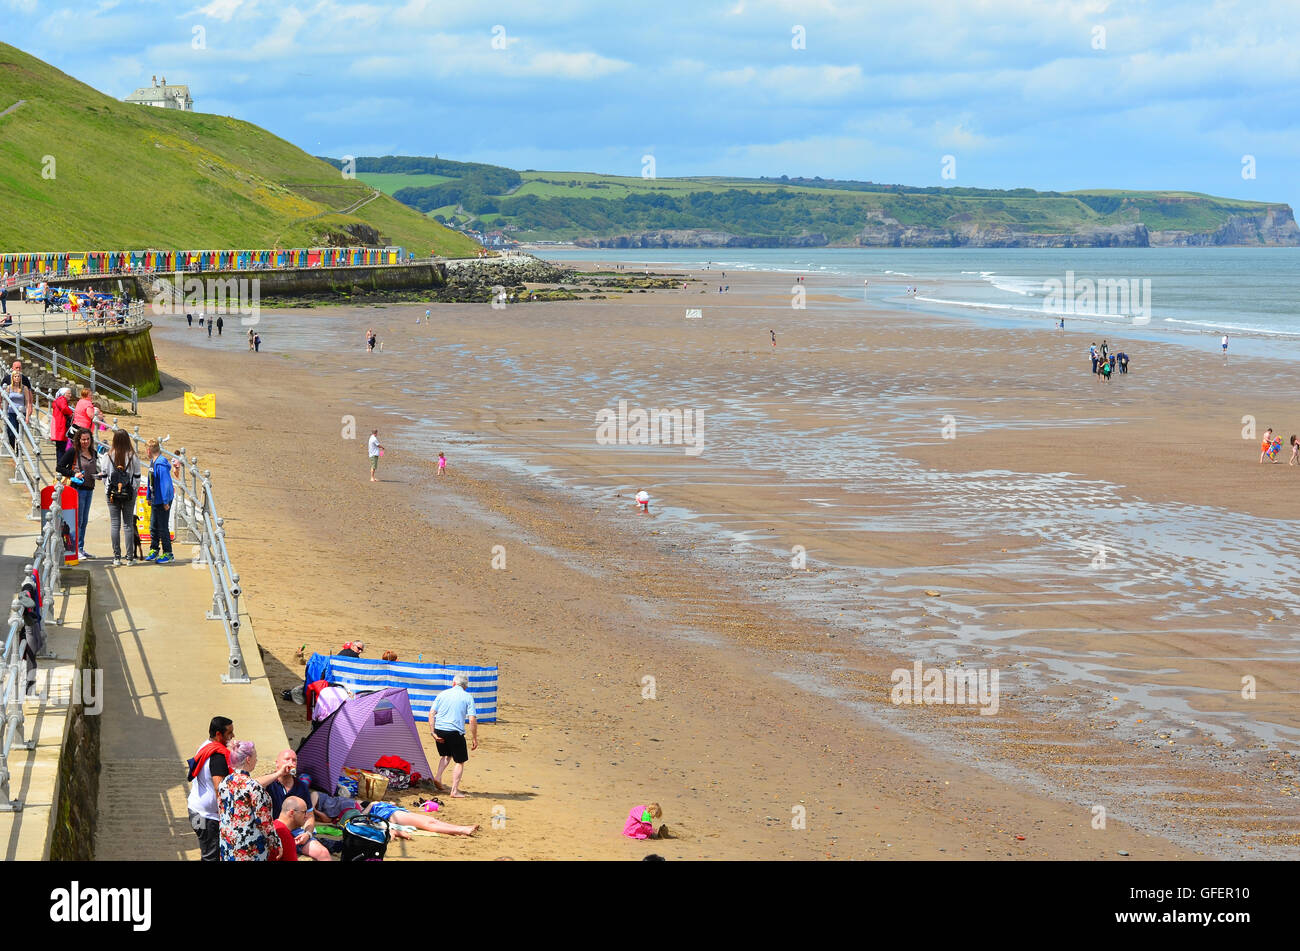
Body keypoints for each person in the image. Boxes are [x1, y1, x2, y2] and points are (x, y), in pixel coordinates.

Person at [218, 741, 282, 861]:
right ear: (248, 759)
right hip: (248, 848)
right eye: (255, 757)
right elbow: (263, 820)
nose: (256, 761)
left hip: (227, 844)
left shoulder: (224, 782)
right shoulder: (253, 786)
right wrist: (276, 842)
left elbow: (221, 811)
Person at [266, 751, 332, 861]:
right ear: (277, 763)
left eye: (294, 760)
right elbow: (252, 785)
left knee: (323, 853)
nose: (291, 763)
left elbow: (310, 816)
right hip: (274, 831)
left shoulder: (301, 786)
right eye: (287, 759)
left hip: (296, 833)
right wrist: (278, 774)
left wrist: (308, 834)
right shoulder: (269, 783)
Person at [187, 716, 234, 861]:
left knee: (208, 852)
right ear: (219, 734)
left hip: (195, 812)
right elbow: (220, 788)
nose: (233, 736)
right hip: (208, 818)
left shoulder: (206, 745)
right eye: (229, 733)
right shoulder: (218, 757)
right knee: (211, 857)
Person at [431, 672, 478, 798]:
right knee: (460, 761)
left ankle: (438, 777)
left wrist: (433, 732)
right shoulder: (468, 697)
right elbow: (472, 719)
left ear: (453, 683)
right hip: (454, 732)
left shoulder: (443, 694)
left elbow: (431, 713)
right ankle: (454, 790)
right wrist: (474, 737)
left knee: (446, 755)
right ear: (465, 686)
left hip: (440, 729)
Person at [58, 429, 98, 559]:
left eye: (88, 439)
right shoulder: (73, 451)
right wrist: (74, 474)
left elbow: (93, 468)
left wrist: (99, 475)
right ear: (78, 440)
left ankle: (80, 548)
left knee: (85, 520)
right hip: (77, 489)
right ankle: (75, 549)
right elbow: (59, 467)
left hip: (89, 489)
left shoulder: (93, 452)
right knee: (78, 520)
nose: (85, 442)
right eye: (83, 439)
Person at [105, 429, 141, 567]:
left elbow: (104, 475)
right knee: (128, 525)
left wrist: (110, 488)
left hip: (112, 494)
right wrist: (133, 489)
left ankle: (116, 557)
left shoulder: (108, 455)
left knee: (115, 524)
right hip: (129, 494)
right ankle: (130, 557)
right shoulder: (133, 456)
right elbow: (137, 477)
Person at [144, 437, 175, 563]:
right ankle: (154, 548)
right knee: (153, 525)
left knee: (162, 527)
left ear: (149, 450)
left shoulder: (160, 464)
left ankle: (168, 553)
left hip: (162, 500)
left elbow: (165, 484)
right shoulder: (153, 462)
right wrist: (148, 496)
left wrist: (166, 501)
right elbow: (150, 480)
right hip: (155, 498)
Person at [2, 360, 33, 457]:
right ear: (12, 368)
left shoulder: (25, 385)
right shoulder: (7, 383)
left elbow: (28, 400)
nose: (18, 371)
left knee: (20, 432)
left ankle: (18, 451)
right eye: (16, 368)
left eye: (20, 368)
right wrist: (3, 412)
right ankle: (11, 449)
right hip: (10, 412)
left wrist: (28, 412)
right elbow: (3, 399)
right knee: (11, 432)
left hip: (21, 412)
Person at [272, 797, 305, 861]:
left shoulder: (272, 826)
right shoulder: (285, 836)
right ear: (292, 813)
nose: (306, 816)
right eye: (304, 812)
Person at [50, 386, 74, 458]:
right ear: (63, 394)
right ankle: (60, 464)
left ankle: (60, 463)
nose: (70, 395)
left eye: (70, 393)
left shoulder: (58, 400)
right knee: (62, 447)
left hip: (59, 426)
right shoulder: (62, 400)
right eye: (68, 393)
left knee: (60, 447)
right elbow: (64, 408)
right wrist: (72, 413)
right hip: (61, 426)